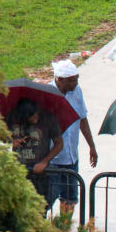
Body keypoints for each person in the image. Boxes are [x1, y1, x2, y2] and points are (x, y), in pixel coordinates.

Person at [47, 59, 98, 216]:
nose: (75, 83)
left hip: (71, 158)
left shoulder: (77, 91)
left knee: (70, 199)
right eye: (71, 80)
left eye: (76, 79)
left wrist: (92, 146)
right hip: (52, 159)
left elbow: (82, 119)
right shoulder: (46, 93)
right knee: (47, 200)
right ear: (59, 80)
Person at [7, 98, 62, 209]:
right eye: (31, 120)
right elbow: (1, 139)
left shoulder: (48, 118)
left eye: (36, 115)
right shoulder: (11, 117)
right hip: (17, 172)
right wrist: (10, 144)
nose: (35, 120)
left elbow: (59, 143)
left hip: (40, 174)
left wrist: (45, 162)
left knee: (42, 206)